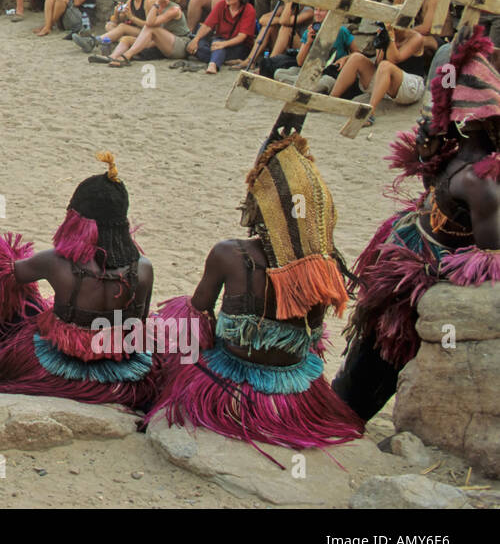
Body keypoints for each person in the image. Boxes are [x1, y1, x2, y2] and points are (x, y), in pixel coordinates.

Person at [144, 136, 364, 452]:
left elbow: (196, 321)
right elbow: (312, 341)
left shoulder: (229, 254)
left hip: (227, 388)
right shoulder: (327, 266)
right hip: (293, 395)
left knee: (168, 327)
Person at [334, 26, 500, 420]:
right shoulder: (470, 162)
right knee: (373, 353)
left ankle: (346, 412)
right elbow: (486, 256)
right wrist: (428, 151)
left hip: (413, 267)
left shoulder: (476, 170)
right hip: (410, 264)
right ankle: (343, 410)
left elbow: (486, 253)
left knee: (378, 356)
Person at [0, 153, 161, 409]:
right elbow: (139, 325)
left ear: (78, 220)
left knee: (5, 295)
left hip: (60, 366)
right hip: (123, 371)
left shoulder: (55, 261)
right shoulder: (144, 268)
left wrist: (15, 252)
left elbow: (3, 272)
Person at [328, 0, 439, 127]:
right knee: (357, 57)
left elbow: (394, 60)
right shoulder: (390, 30)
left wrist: (392, 38)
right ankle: (330, 101)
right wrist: (383, 41)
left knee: (387, 66)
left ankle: (369, 114)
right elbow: (378, 62)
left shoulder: (415, 37)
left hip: (408, 86)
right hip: (386, 83)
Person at [96, 0, 191, 67]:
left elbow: (149, 23)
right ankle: (112, 57)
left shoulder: (173, 9)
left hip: (179, 45)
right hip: (160, 43)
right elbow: (149, 22)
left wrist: (156, 3)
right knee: (126, 39)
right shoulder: (156, 6)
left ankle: (126, 56)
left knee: (151, 28)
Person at [186, 0, 256, 74]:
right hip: (220, 41)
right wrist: (196, 39)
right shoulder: (221, 5)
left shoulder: (249, 9)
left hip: (239, 46)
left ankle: (213, 64)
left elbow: (242, 37)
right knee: (195, 46)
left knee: (217, 45)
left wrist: (223, 44)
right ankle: (221, 59)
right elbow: (207, 25)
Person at [72, 0, 149, 53]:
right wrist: (117, 13)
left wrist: (132, 17)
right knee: (110, 25)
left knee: (123, 27)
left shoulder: (148, 0)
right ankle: (111, 42)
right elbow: (117, 21)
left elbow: (149, 26)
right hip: (135, 30)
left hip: (146, 33)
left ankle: (93, 42)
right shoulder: (131, 0)